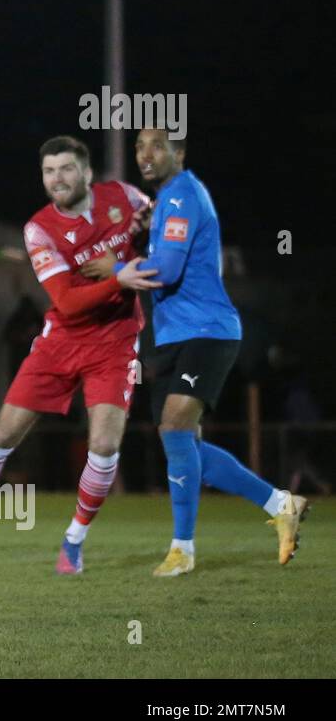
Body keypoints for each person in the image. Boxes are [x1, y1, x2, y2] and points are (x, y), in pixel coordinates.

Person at [0, 135, 158, 574]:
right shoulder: (39, 230)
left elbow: (162, 235)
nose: (58, 179)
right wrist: (119, 278)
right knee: (3, 435)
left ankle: (73, 541)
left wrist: (140, 252)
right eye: (50, 171)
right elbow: (68, 302)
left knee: (105, 445)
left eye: (67, 169)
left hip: (116, 342)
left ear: (87, 173)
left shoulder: (124, 198)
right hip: (61, 341)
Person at [116, 127, 308, 576]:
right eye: (139, 147)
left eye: (157, 146)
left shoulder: (183, 194)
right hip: (173, 337)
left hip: (208, 331)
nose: (145, 154)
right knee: (183, 447)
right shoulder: (165, 202)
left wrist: (116, 268)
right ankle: (282, 504)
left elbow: (166, 269)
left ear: (179, 153)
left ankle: (183, 550)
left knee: (175, 427)